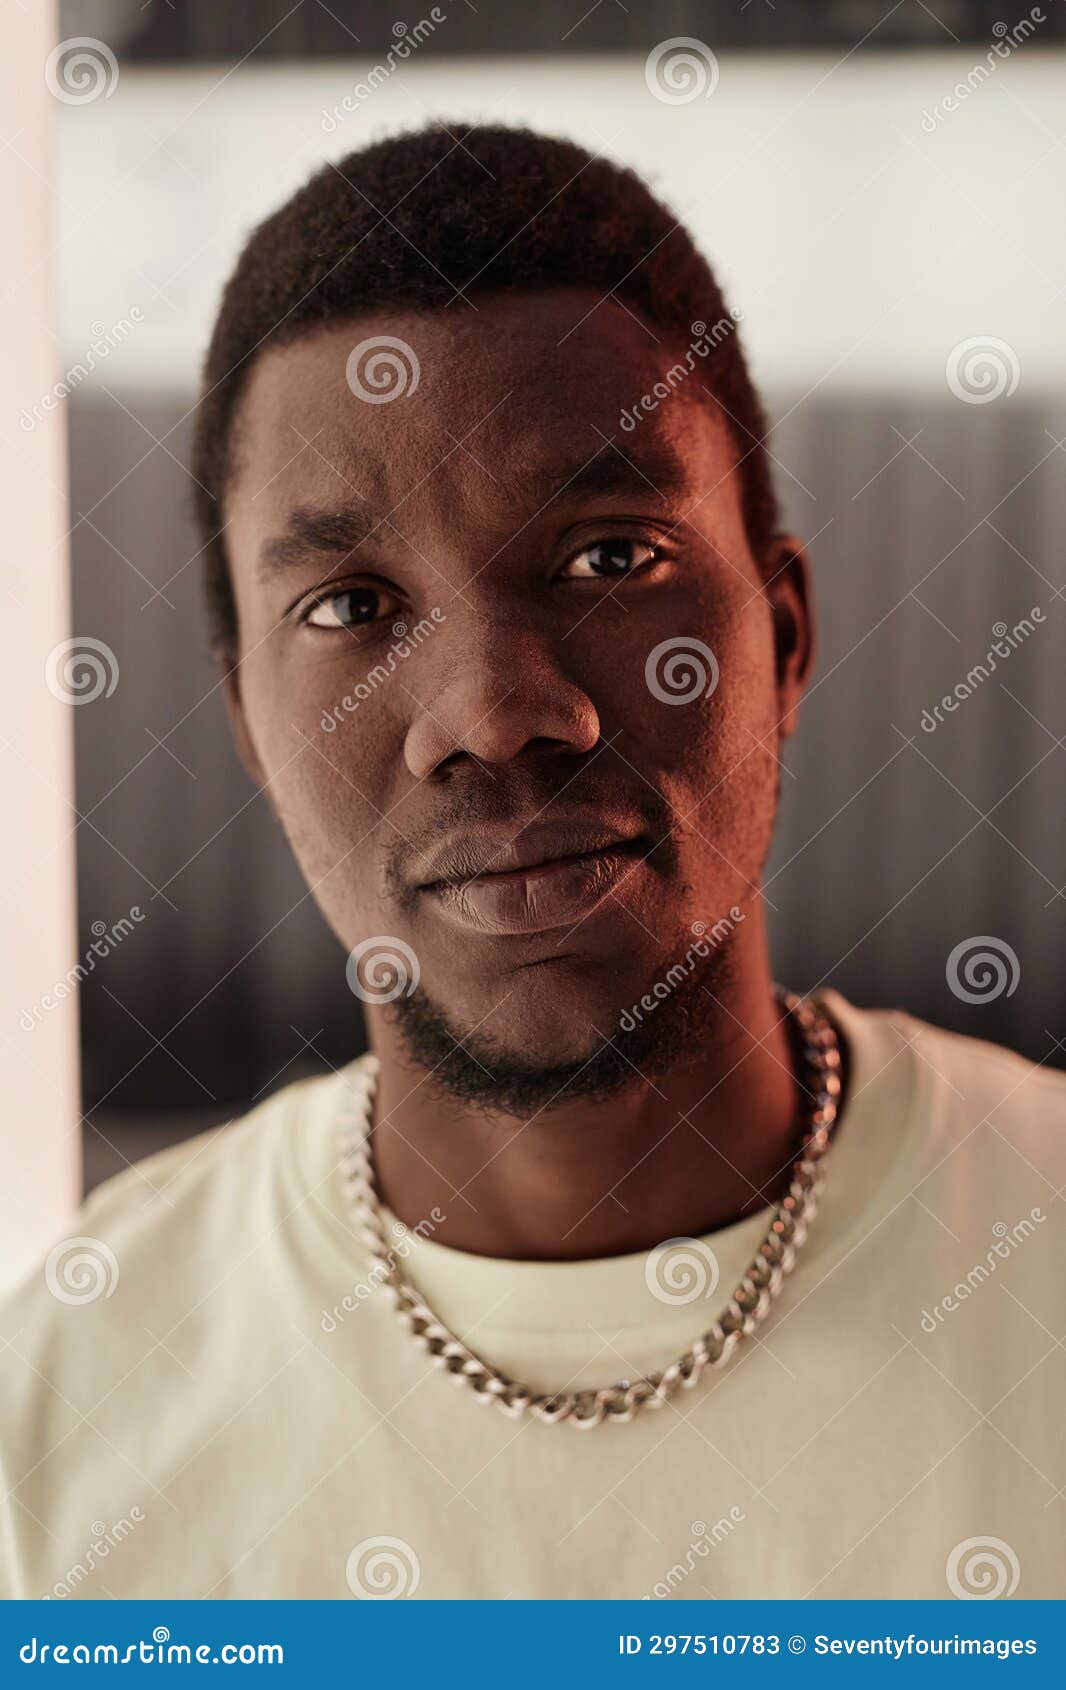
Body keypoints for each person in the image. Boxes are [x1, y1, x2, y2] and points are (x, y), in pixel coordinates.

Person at [2, 124, 1063, 1603]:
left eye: (608, 558)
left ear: (783, 635)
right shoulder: (60, 1413)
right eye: (354, 604)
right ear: (245, 716)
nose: (494, 715)